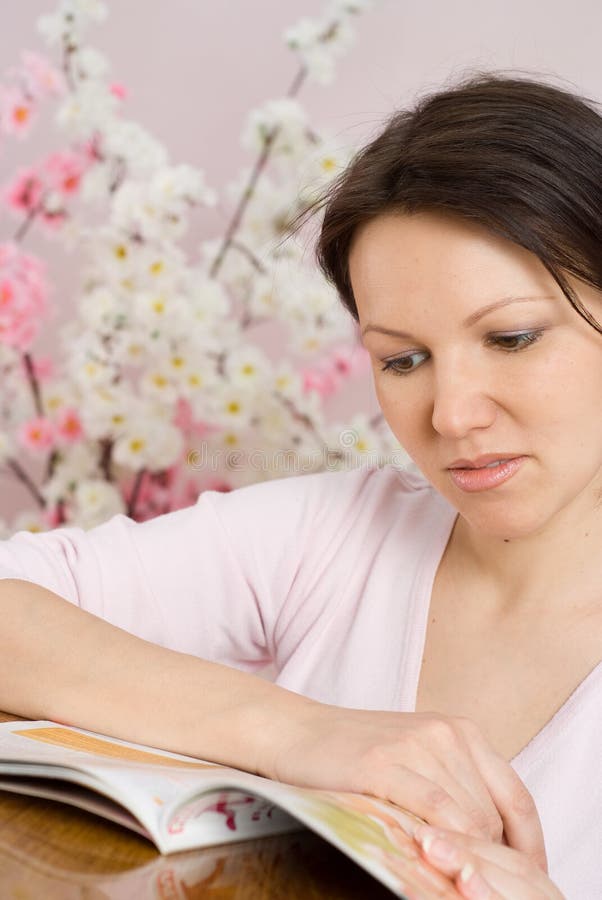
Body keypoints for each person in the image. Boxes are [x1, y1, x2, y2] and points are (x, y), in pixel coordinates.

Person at [0, 73, 600, 899]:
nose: (452, 415)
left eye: (512, 337)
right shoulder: (331, 539)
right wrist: (301, 733)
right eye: (402, 359)